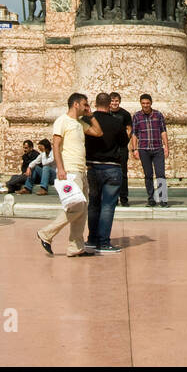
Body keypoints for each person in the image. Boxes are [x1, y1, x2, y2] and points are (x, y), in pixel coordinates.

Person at [37, 93, 98, 257]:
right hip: (70, 170)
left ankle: (76, 247)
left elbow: (98, 132)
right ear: (76, 104)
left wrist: (91, 116)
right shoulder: (62, 121)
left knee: (82, 209)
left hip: (81, 169)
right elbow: (55, 146)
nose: (87, 107)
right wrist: (60, 168)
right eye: (85, 104)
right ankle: (46, 233)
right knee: (76, 207)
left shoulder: (79, 123)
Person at [87, 92, 129, 252]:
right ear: (109, 104)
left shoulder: (88, 121)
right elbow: (124, 142)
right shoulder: (116, 122)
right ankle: (104, 242)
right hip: (111, 166)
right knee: (107, 206)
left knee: (94, 204)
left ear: (96, 103)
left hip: (92, 166)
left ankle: (92, 239)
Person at [131, 93, 170, 207]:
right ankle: (151, 198)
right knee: (148, 175)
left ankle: (163, 199)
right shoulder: (137, 116)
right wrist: (134, 149)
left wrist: (166, 146)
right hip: (144, 148)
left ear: (151, 103)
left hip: (157, 148)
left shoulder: (158, 115)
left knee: (160, 174)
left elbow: (163, 131)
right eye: (143, 103)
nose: (145, 105)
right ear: (140, 104)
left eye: (147, 103)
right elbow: (134, 133)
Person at [108, 92, 133, 207]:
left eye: (116, 101)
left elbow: (129, 129)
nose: (114, 103)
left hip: (121, 148)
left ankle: (124, 198)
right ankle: (112, 198)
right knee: (109, 173)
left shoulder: (125, 114)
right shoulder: (105, 113)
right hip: (108, 148)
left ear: (119, 101)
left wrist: (124, 141)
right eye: (112, 101)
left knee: (123, 173)